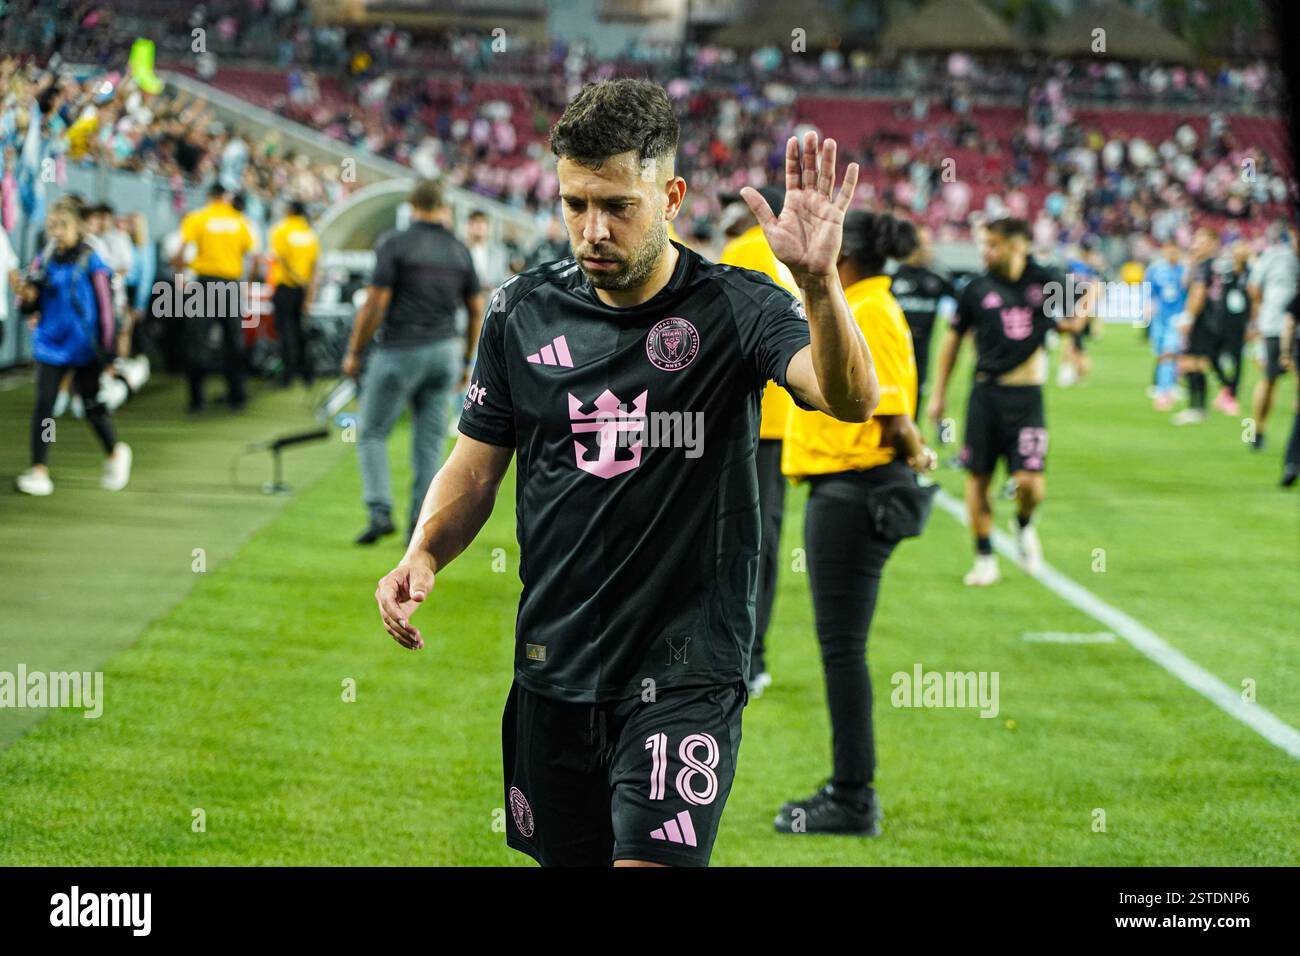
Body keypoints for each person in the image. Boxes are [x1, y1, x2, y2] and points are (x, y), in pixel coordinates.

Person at [373, 79, 878, 867]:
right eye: (575, 204)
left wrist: (818, 288)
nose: (591, 230)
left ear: (670, 194)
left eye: (617, 205)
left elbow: (847, 397)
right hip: (554, 668)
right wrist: (424, 552)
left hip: (685, 677)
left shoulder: (735, 308)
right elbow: (474, 468)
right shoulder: (519, 312)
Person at [775, 210, 937, 836]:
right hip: (849, 485)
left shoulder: (867, 309)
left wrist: (912, 446)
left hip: (855, 487)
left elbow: (890, 411)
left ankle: (852, 796)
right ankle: (849, 789)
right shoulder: (865, 302)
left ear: (845, 256)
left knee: (842, 650)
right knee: (842, 648)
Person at [928, 216, 1088, 587]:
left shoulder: (1046, 280)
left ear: (1019, 246)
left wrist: (1073, 335)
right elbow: (953, 339)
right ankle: (984, 556)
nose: (985, 251)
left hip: (1027, 397)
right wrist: (938, 396)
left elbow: (1084, 299)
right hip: (985, 393)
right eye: (984, 244)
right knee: (978, 477)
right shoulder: (975, 287)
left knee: (1030, 482)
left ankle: (1024, 522)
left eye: (993, 245)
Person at [343, 179, 483, 545]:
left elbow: (375, 304)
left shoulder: (395, 244)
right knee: (429, 444)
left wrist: (355, 352)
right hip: (445, 354)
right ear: (443, 207)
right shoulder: (459, 250)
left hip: (399, 351)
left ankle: (379, 510)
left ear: (412, 205)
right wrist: (468, 359)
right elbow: (476, 309)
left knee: (372, 431)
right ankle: (417, 531)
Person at [717, 184, 795, 698]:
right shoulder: (792, 252)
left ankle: (735, 656)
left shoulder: (741, 253)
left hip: (743, 418)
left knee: (734, 542)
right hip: (787, 419)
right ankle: (755, 656)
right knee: (765, 542)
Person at [14, 200, 132, 496]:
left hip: (84, 347)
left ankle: (115, 452)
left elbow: (106, 310)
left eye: (62, 225)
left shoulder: (92, 260)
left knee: (92, 407)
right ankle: (40, 469)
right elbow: (31, 305)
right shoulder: (44, 259)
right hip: (50, 345)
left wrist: (109, 353)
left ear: (78, 227)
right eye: (52, 225)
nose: (56, 232)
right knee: (45, 407)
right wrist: (27, 298)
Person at [174, 182, 259, 412]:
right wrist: (248, 284)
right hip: (230, 284)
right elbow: (254, 256)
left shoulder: (198, 218)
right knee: (234, 341)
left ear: (210, 196)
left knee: (197, 340)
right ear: (226, 197)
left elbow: (180, 251)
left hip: (204, 283)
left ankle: (196, 400)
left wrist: (180, 275)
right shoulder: (240, 221)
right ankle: (237, 396)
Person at [890, 224, 956, 416]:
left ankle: (909, 440)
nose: (926, 248)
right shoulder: (893, 277)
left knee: (916, 398)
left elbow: (963, 305)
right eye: (921, 243)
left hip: (922, 351)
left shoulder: (937, 277)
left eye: (928, 243)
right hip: (893, 350)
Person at [1247, 221, 1299, 451]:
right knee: (1269, 380)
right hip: (1275, 328)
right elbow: (1254, 288)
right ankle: (1258, 429)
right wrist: (1257, 321)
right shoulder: (1275, 256)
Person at [1173, 227, 1224, 426]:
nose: (1196, 245)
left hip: (1202, 320)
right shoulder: (1210, 264)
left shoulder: (1204, 266)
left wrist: (1188, 317)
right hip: (1211, 319)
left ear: (1212, 244)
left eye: (1201, 242)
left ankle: (1197, 408)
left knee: (1193, 362)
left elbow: (1198, 292)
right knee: (1195, 361)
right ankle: (1198, 407)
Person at [268, 199, 320, 388]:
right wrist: (309, 292)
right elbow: (315, 266)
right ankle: (307, 375)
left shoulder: (281, 230)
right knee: (300, 331)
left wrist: (296, 278)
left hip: (286, 287)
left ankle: (287, 376)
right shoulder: (309, 234)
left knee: (285, 333)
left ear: (289, 210)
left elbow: (281, 258)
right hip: (303, 290)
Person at [1206, 241, 1251, 417]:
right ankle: (1227, 386)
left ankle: (1232, 395)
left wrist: (1252, 323)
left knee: (1237, 359)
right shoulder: (1226, 273)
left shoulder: (1249, 274)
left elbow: (1253, 298)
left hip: (1240, 323)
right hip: (1223, 320)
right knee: (1212, 355)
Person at [1143, 240, 1187, 412]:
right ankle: (1166, 383)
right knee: (1161, 352)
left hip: (1176, 317)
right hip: (1159, 317)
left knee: (1170, 351)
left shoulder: (1184, 270)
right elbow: (1149, 290)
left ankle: (1165, 390)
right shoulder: (1155, 270)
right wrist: (1148, 306)